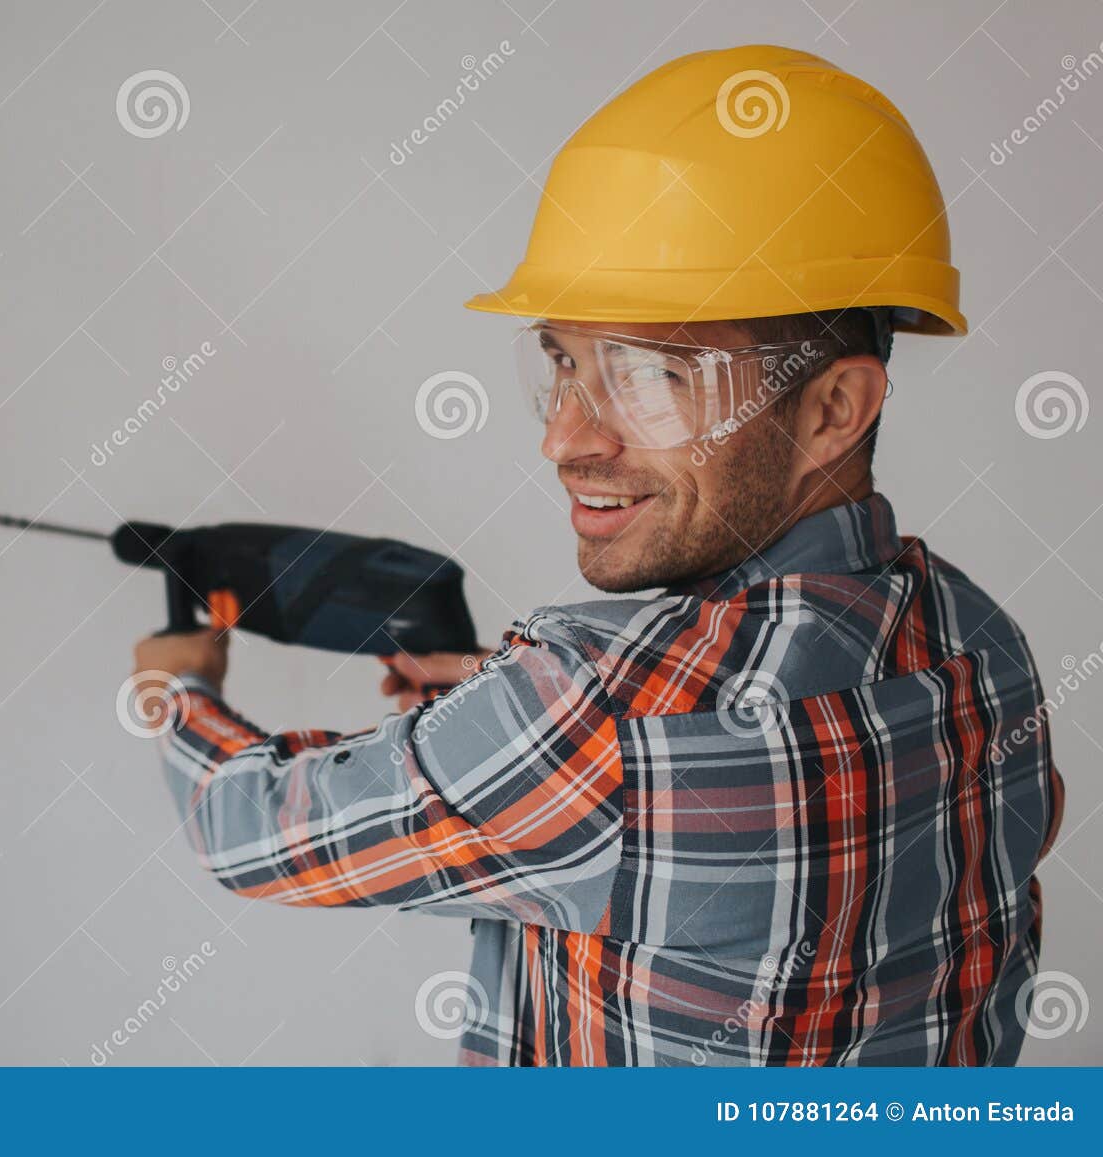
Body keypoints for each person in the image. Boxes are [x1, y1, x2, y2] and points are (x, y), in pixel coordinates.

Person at [129, 44, 1064, 1065]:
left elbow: (254, 834)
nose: (566, 438)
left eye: (650, 377)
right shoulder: (980, 644)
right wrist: (512, 713)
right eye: (563, 364)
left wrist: (181, 696)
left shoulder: (598, 715)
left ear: (834, 407)